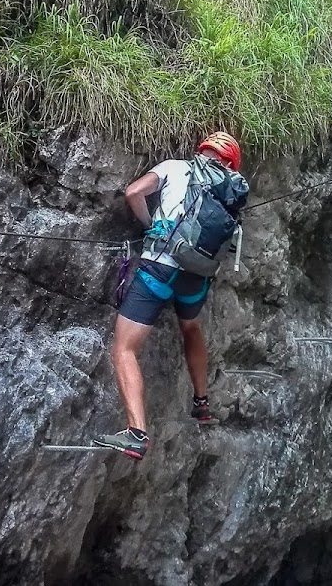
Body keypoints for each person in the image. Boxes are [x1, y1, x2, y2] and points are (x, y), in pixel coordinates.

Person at [94, 132, 248, 459]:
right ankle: (202, 404)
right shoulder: (231, 189)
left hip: (159, 269)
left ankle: (136, 432)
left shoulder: (175, 167)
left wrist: (152, 226)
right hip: (196, 276)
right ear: (230, 163)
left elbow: (133, 192)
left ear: (201, 151)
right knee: (191, 328)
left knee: (125, 348)